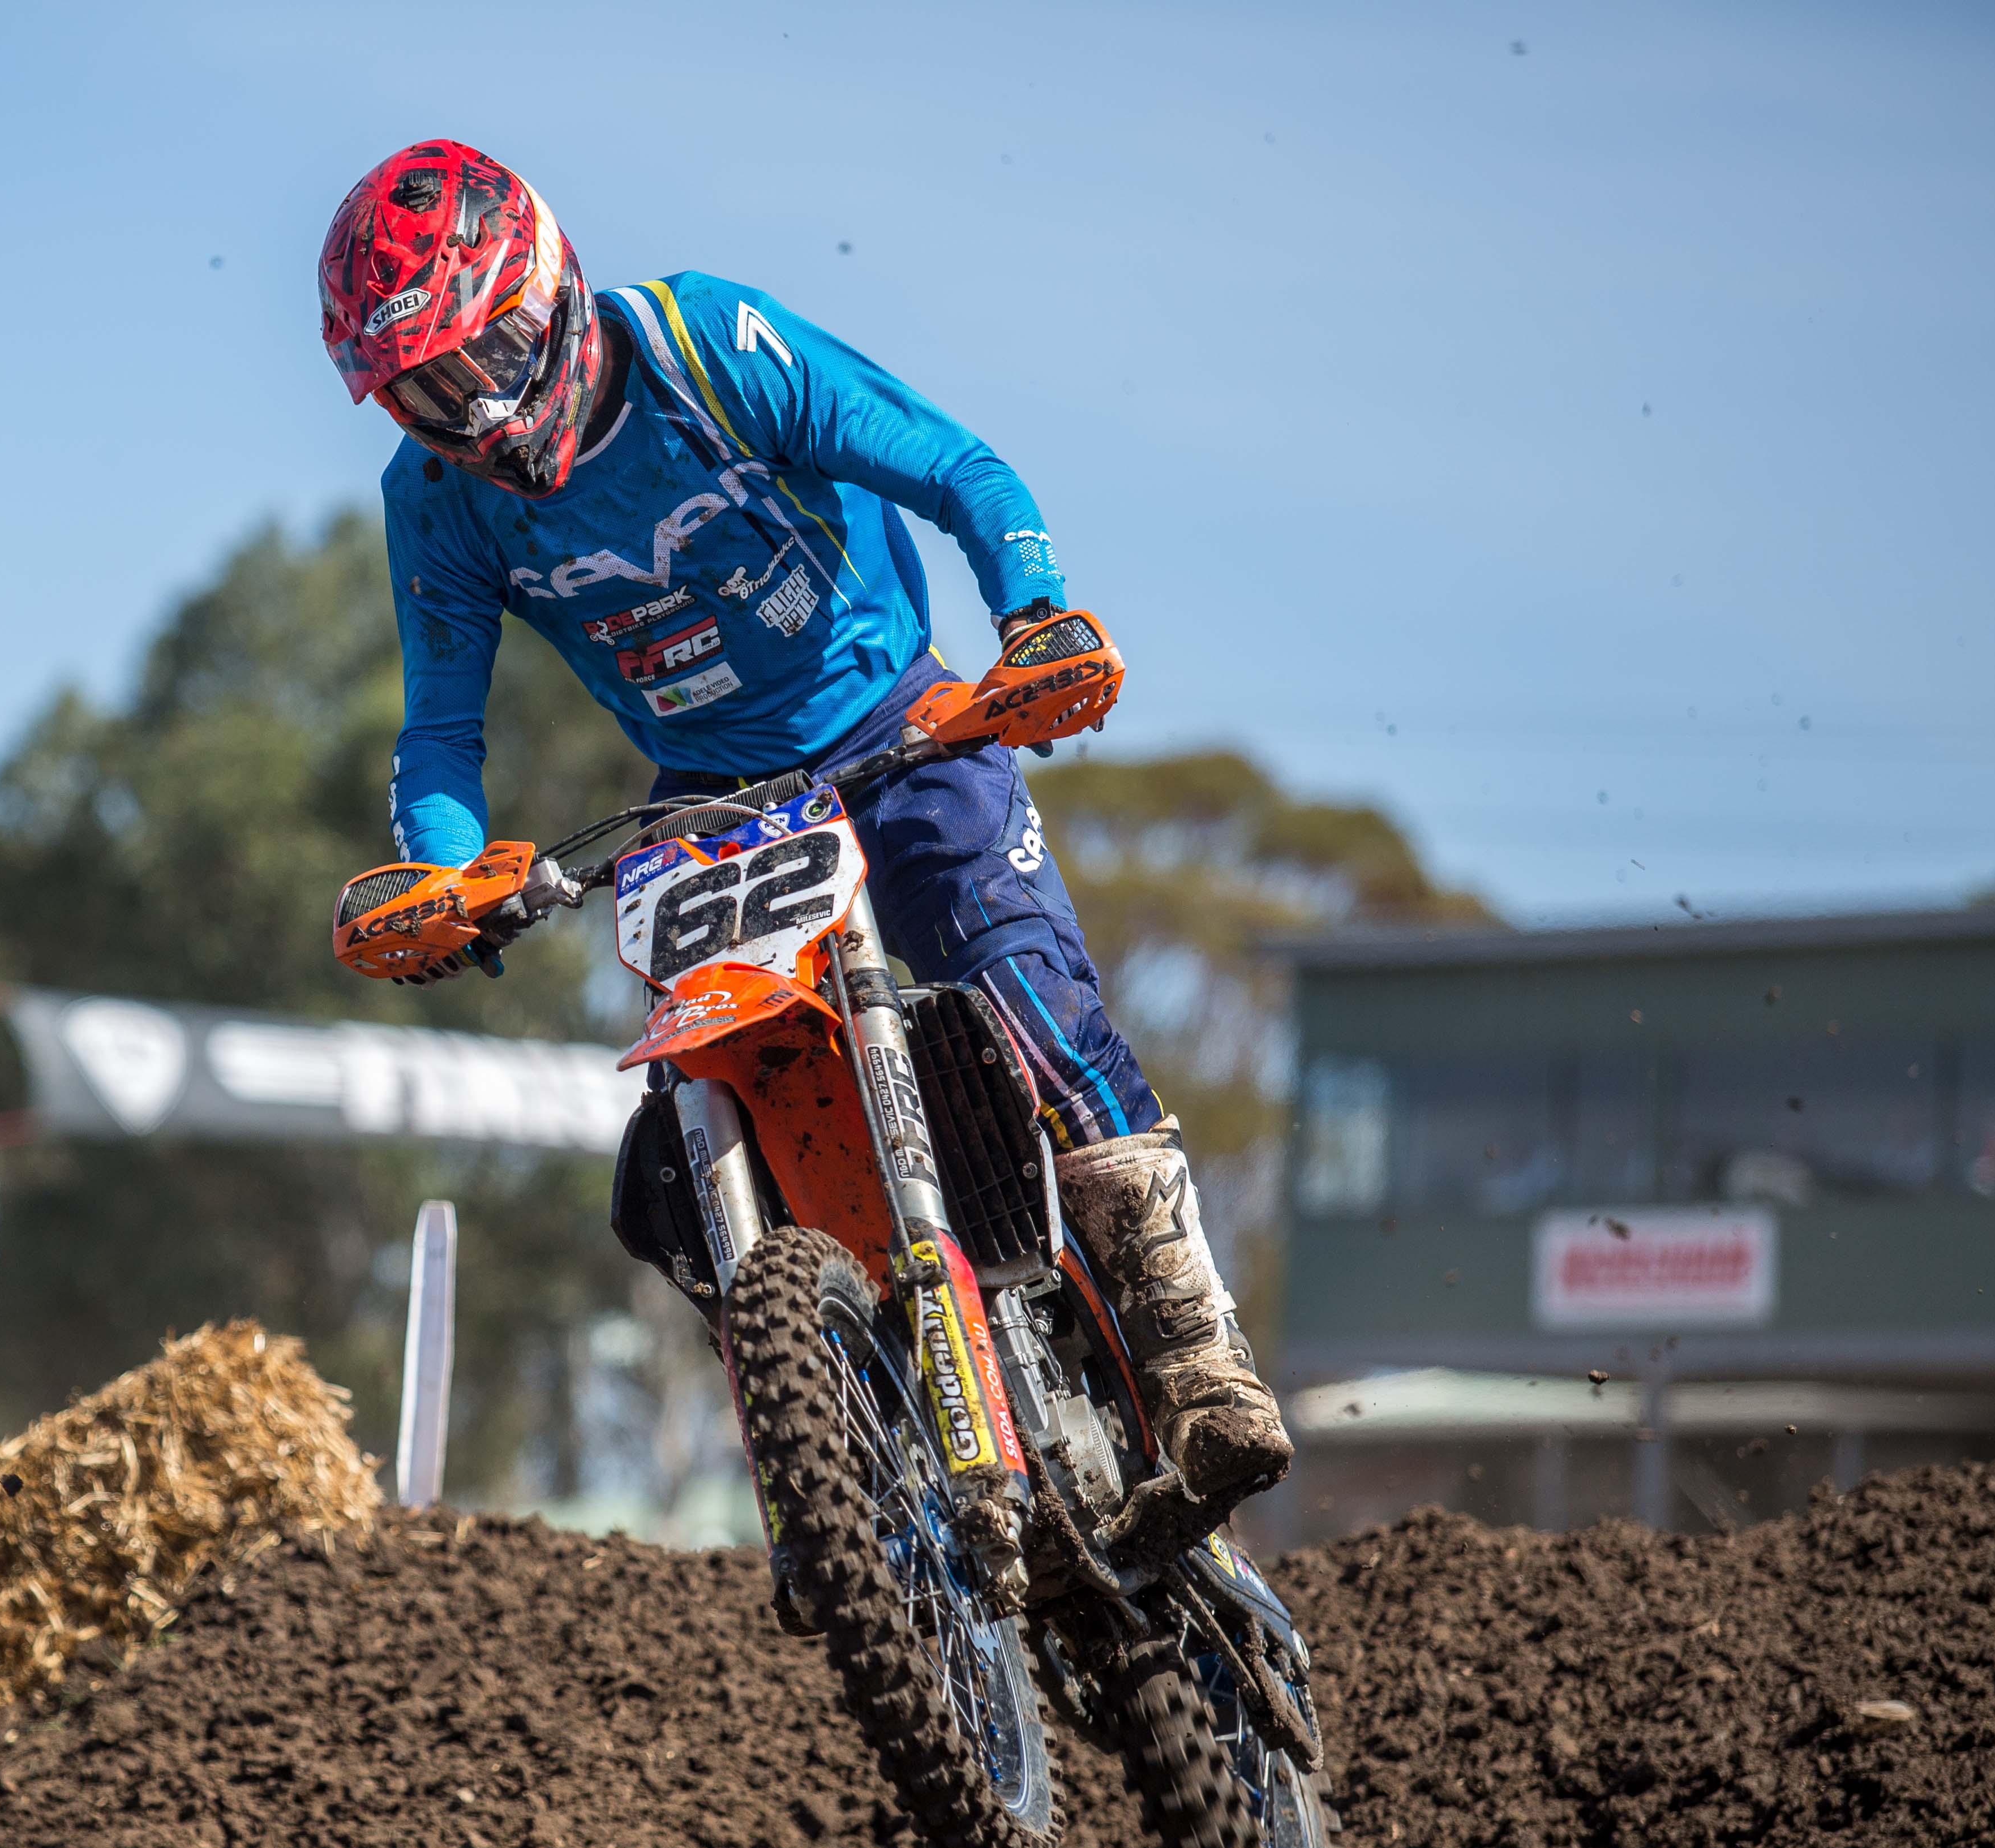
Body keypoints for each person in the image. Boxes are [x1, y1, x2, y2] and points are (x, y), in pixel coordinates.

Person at [317, 139, 1288, 1571]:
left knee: (1028, 992)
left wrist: (1035, 616)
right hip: (710, 798)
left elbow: (957, 465)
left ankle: (1201, 1360)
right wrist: (447, 870)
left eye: (486, 358)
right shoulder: (436, 503)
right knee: (668, 1162)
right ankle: (838, 1463)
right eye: (425, 390)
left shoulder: (712, 345)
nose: (474, 410)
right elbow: (439, 733)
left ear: (551, 289)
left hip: (897, 721)